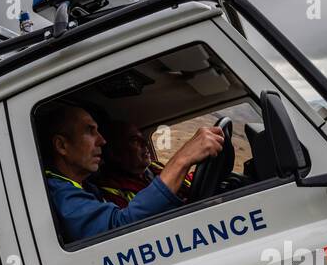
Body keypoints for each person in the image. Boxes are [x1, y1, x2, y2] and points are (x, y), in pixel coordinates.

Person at [39, 102, 221, 243]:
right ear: (62, 145)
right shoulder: (60, 195)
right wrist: (182, 159)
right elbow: (121, 227)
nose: (102, 141)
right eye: (90, 131)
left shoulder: (84, 187)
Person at [92, 118, 181, 208]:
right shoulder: (110, 191)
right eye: (135, 140)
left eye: (142, 138)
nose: (146, 143)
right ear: (115, 153)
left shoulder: (155, 167)